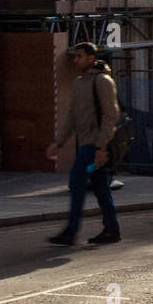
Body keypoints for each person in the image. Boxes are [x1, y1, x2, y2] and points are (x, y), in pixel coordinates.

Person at [47, 42, 121, 245]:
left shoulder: (103, 81)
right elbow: (71, 115)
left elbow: (111, 115)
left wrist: (101, 147)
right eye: (75, 56)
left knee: (77, 181)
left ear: (90, 58)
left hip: (94, 148)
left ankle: (71, 231)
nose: (75, 60)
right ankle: (112, 229)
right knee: (99, 185)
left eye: (79, 56)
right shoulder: (79, 82)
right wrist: (58, 142)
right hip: (87, 146)